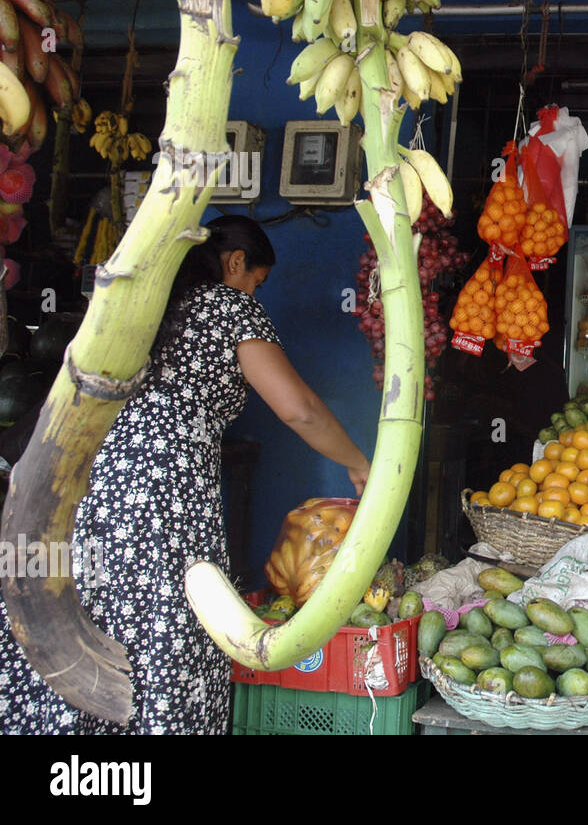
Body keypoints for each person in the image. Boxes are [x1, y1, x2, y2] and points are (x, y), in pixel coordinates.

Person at [0, 215, 371, 734]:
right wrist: (357, 461)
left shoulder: (152, 305)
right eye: (256, 282)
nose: (254, 293)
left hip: (95, 476)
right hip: (163, 483)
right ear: (236, 262)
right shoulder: (228, 306)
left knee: (93, 599)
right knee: (168, 612)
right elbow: (299, 409)